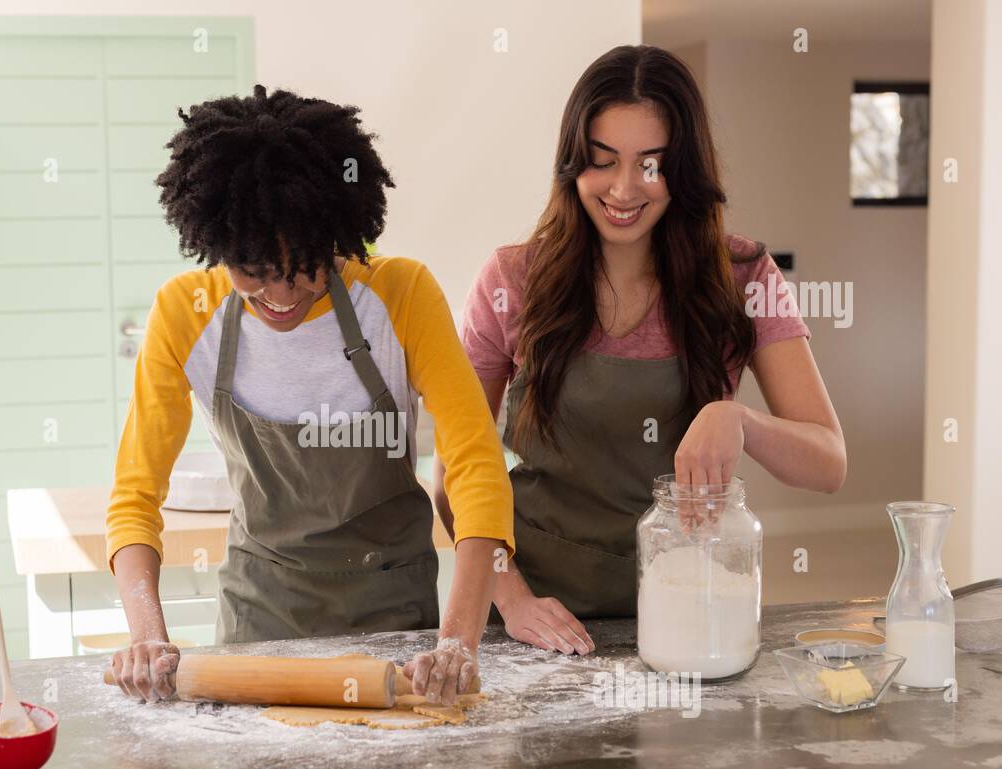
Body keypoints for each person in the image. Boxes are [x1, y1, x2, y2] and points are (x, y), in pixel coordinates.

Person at [107, 86, 513, 704]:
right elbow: (136, 494)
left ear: (338, 236)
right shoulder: (184, 315)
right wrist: (147, 637)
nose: (280, 296)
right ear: (218, 248)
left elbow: (477, 466)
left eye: (303, 269)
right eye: (253, 275)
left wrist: (458, 641)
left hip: (395, 622)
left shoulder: (401, 295)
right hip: (259, 623)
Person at [435, 46, 846, 656]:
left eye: (651, 164)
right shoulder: (509, 281)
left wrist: (741, 421)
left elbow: (829, 462)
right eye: (603, 162)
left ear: (683, 169)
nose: (625, 188)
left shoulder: (745, 277)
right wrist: (512, 598)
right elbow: (452, 482)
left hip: (689, 614)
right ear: (572, 166)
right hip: (537, 628)